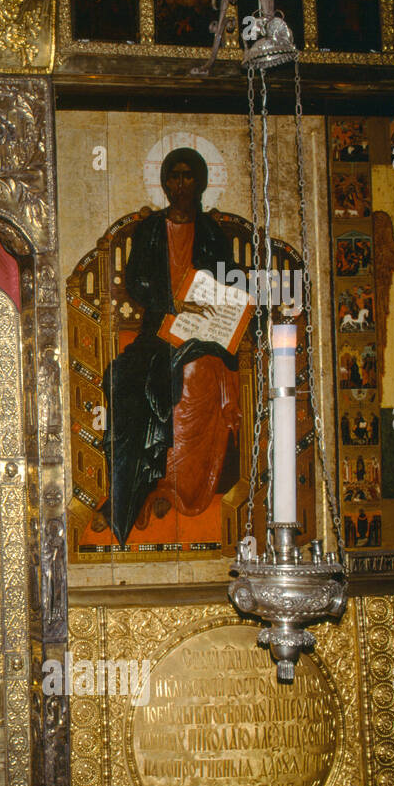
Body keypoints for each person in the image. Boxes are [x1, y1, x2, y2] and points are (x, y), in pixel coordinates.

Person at [96, 147, 241, 544]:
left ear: (200, 182)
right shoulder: (150, 230)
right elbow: (137, 280)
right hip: (159, 328)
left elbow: (230, 279)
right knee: (125, 382)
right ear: (165, 182)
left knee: (197, 373)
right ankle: (136, 490)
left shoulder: (212, 232)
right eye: (174, 177)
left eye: (188, 176)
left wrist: (214, 299)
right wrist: (174, 301)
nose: (180, 185)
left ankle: (181, 486)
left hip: (203, 331)